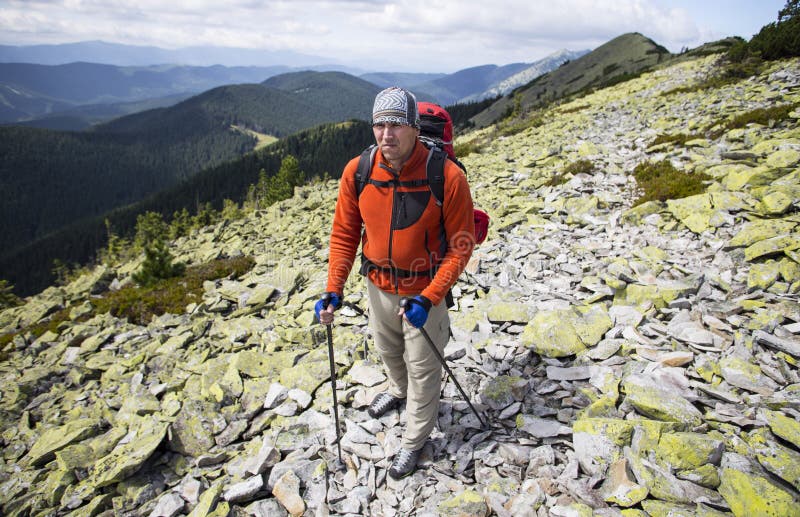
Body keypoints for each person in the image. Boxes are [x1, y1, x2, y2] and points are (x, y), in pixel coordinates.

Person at [314, 86, 476, 479]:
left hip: (425, 291)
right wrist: (333, 288)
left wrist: (432, 296)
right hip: (378, 284)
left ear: (415, 128)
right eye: (379, 124)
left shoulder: (447, 176)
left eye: (397, 124)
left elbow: (461, 246)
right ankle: (397, 390)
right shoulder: (359, 171)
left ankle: (414, 442)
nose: (387, 134)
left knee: (424, 368)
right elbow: (344, 234)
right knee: (387, 349)